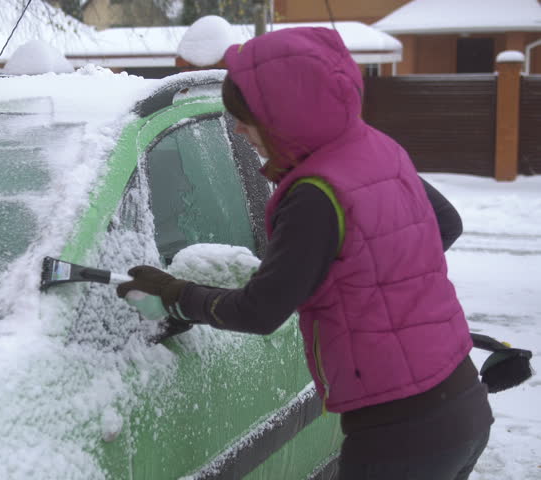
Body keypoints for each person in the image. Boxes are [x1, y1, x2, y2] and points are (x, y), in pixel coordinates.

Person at [116, 27, 493, 480]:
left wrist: (175, 294)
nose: (237, 128)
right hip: (462, 400)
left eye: (245, 117)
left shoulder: (315, 195)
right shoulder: (376, 147)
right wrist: (373, 283)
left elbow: (261, 311)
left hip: (398, 437)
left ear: (283, 117)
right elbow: (443, 223)